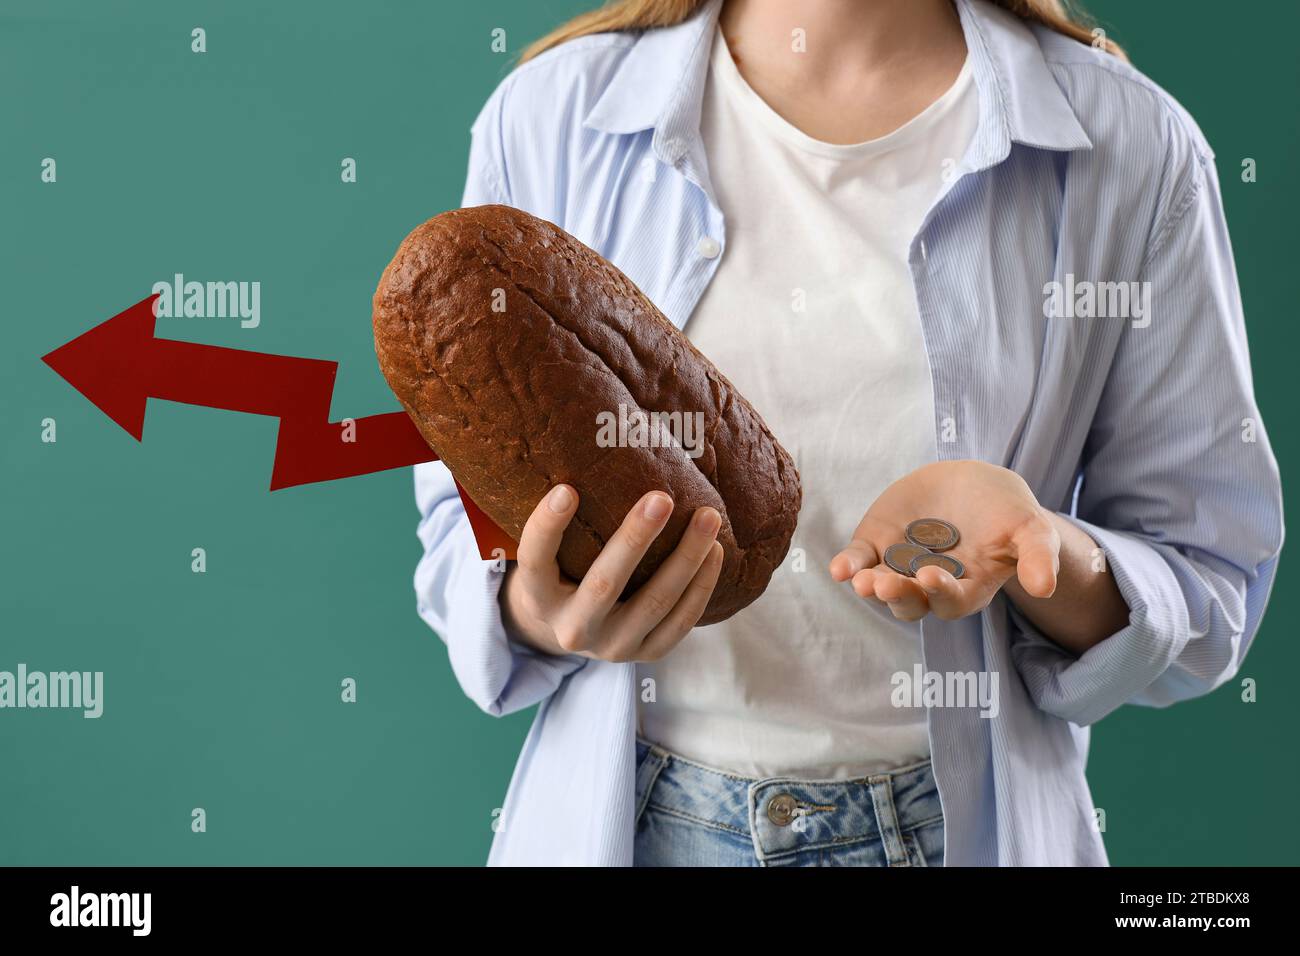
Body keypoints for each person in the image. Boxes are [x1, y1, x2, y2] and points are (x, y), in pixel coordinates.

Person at [412, 0, 1283, 866]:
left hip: (961, 834)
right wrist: (538, 607)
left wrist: (1040, 549)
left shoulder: (1129, 143)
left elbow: (1209, 578)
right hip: (630, 827)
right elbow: (461, 526)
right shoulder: (553, 113)